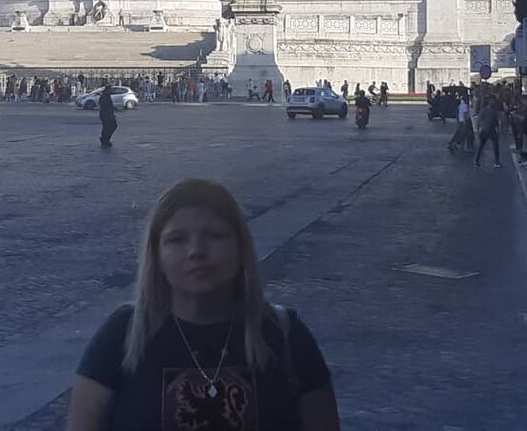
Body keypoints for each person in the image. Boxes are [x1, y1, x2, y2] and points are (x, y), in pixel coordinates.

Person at [66, 179, 340, 431]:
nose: (196, 251)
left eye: (214, 235)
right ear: (156, 256)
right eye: (177, 239)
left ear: (240, 247)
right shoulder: (122, 336)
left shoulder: (285, 336)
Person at [474, 97, 502, 168]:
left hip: (487, 129)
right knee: (493, 146)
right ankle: (496, 162)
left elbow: (479, 120)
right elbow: (496, 121)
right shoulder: (491, 110)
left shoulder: (485, 110)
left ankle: (476, 161)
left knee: (482, 146)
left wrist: (477, 129)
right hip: (489, 129)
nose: (493, 102)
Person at [99, 84, 118, 149]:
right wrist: (110, 113)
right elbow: (106, 106)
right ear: (108, 90)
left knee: (107, 127)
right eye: (110, 89)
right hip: (106, 115)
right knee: (110, 126)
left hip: (106, 114)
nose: (111, 90)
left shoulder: (106, 96)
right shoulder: (105, 96)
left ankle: (105, 139)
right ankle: (105, 139)